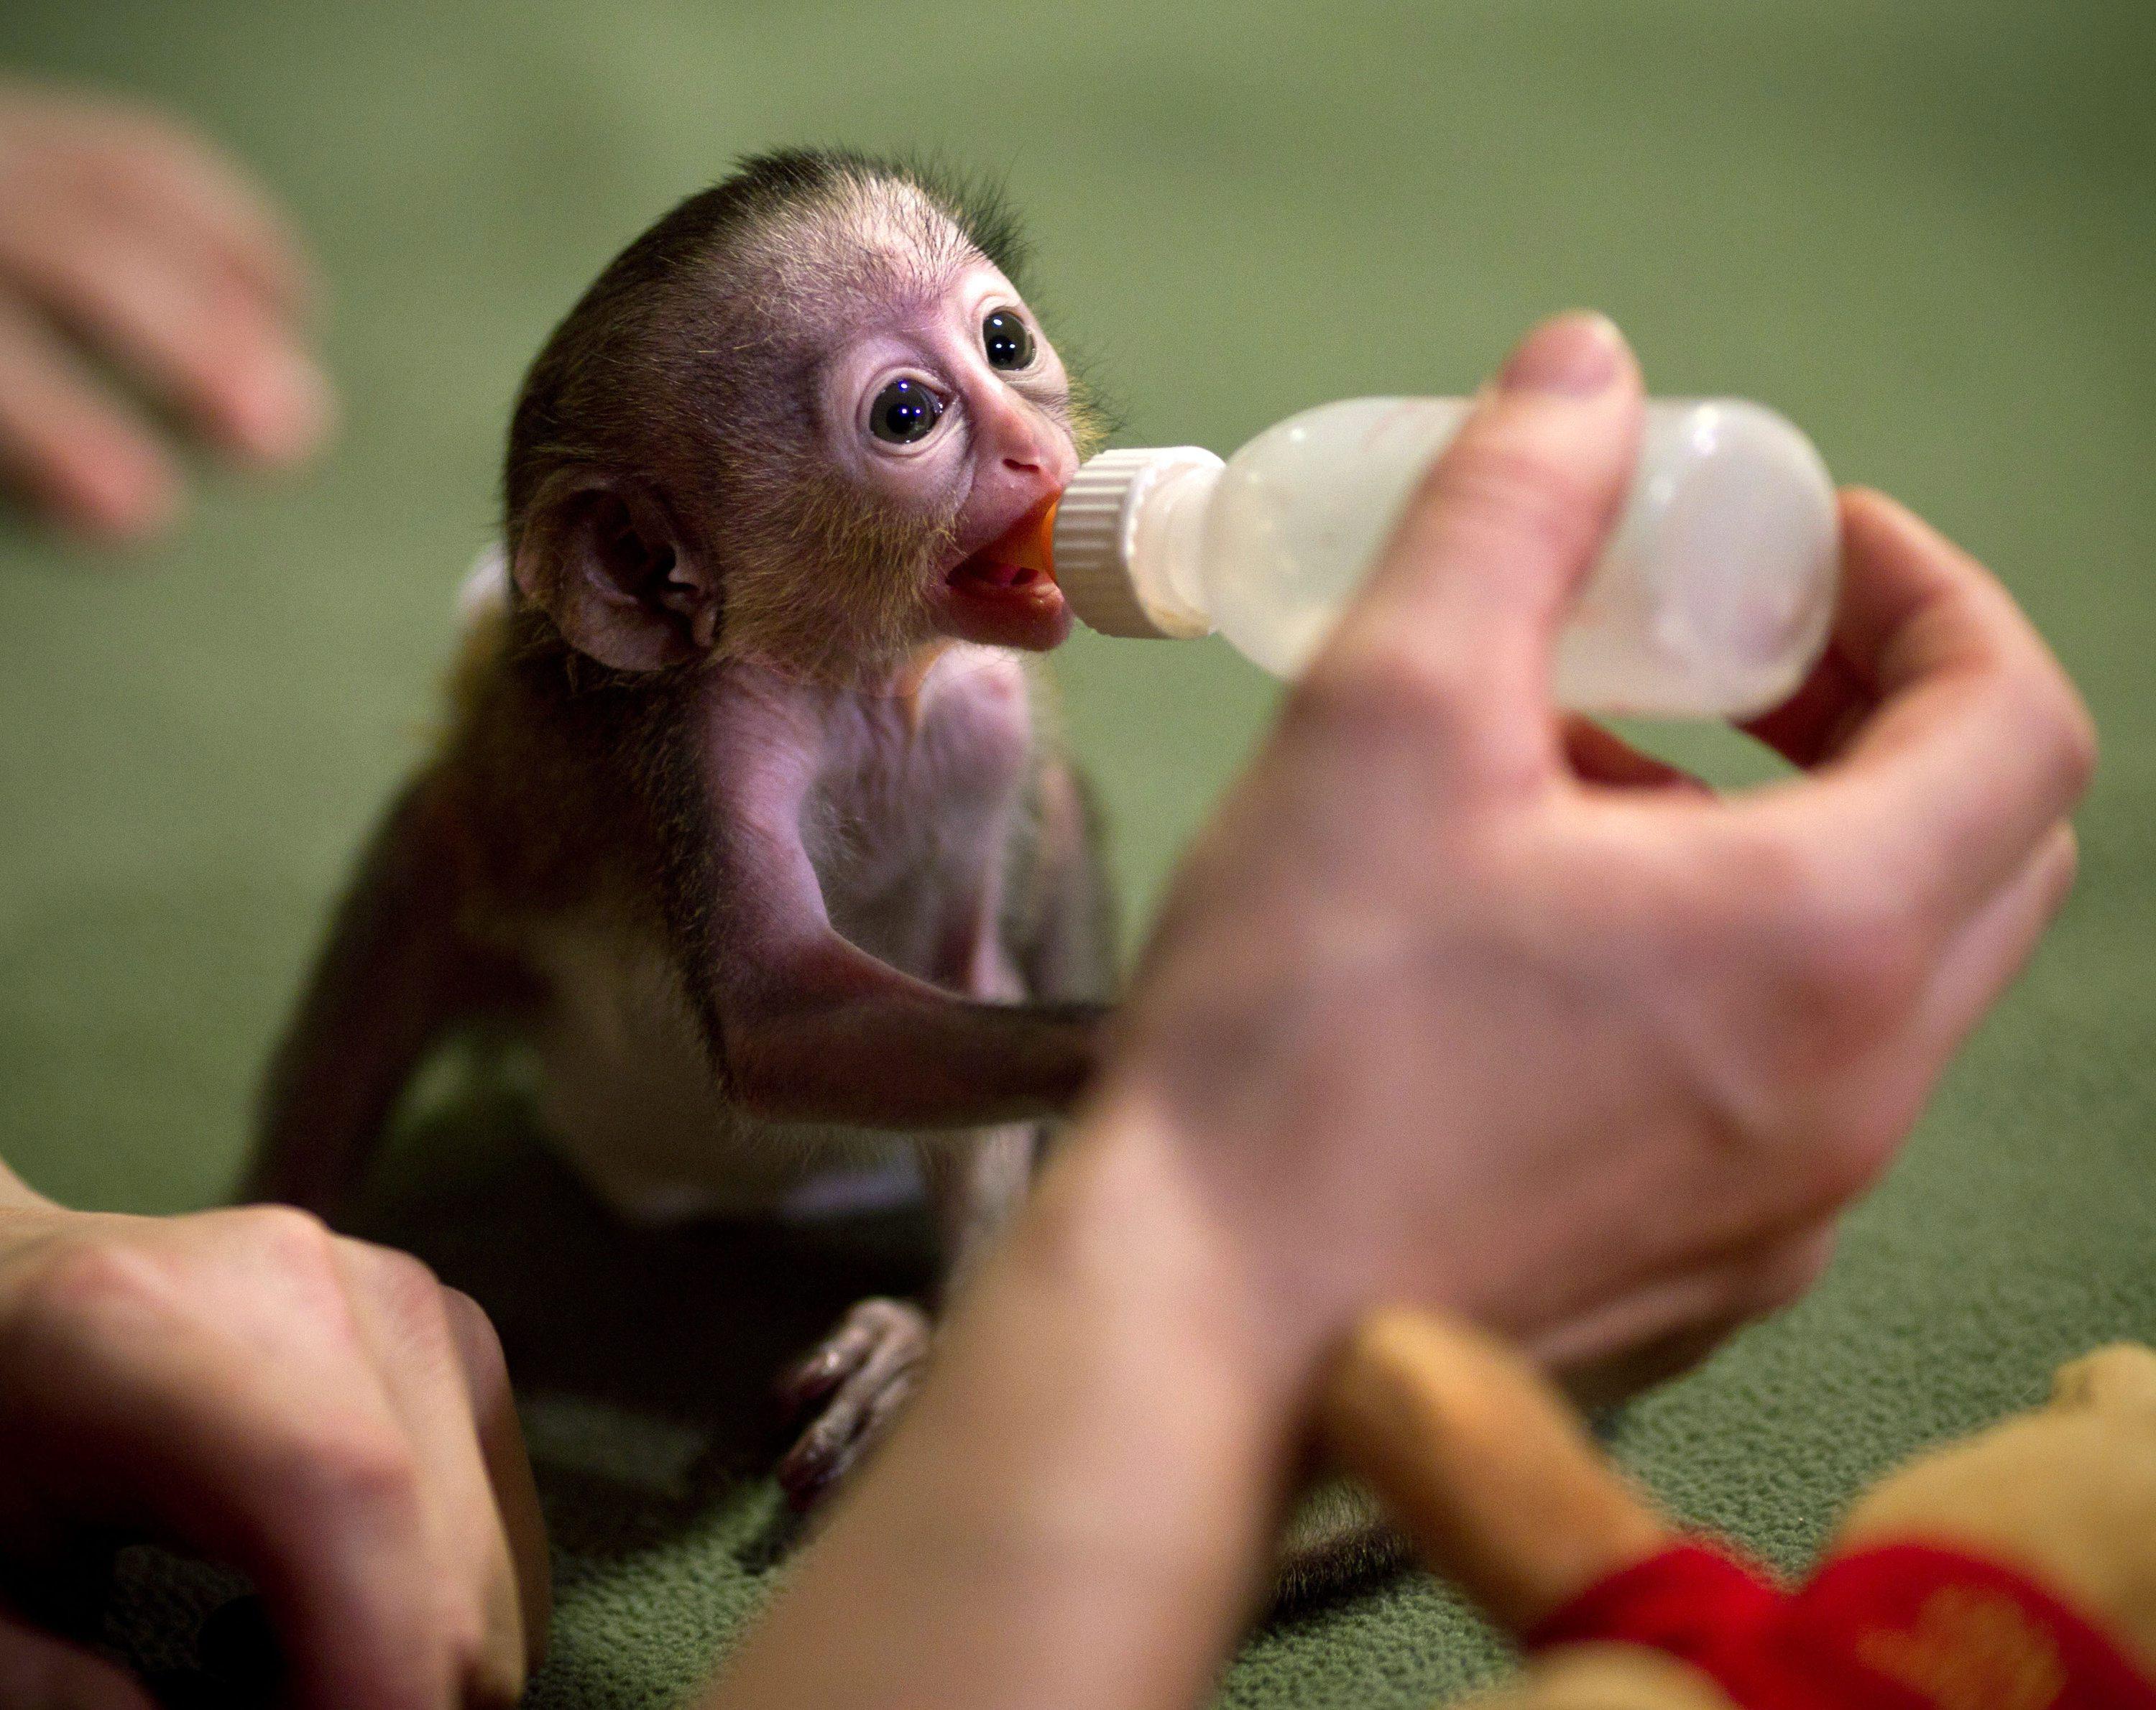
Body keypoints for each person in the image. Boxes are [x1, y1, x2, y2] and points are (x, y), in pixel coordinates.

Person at [0, 87, 2094, 1710]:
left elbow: (974, 967)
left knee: (1030, 859)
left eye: (1003, 340)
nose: (1028, 433)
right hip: (545, 946)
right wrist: (1165, 1071)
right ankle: (297, 1187)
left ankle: (962, 1295)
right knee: (414, 897)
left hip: (946, 1093)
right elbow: (788, 1021)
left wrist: (999, 1264)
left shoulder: (980, 721)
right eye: (908, 417)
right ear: (658, 582)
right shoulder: (711, 729)